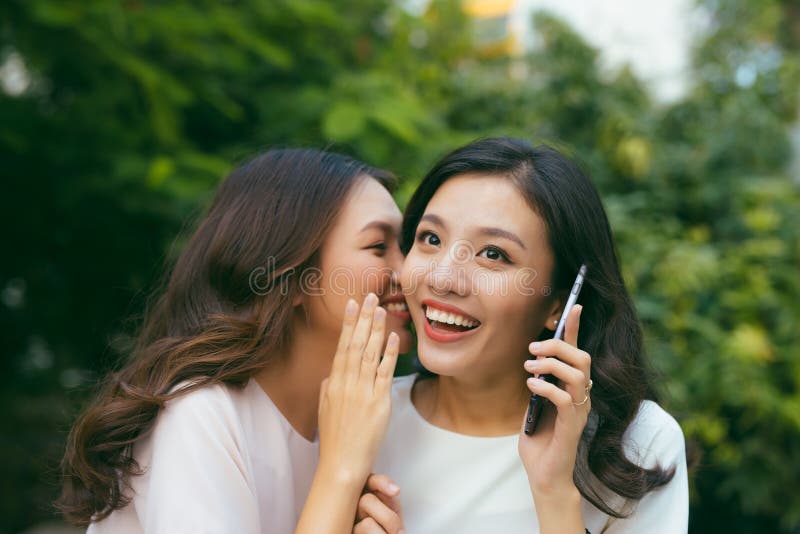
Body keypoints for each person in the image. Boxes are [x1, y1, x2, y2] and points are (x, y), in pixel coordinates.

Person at [57, 148, 413, 533]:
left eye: (406, 246)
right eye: (379, 247)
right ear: (288, 275)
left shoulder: (364, 419)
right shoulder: (198, 415)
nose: (410, 272)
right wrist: (340, 474)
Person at [368, 137, 688, 533]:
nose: (443, 278)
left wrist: (554, 491)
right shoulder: (360, 420)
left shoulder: (640, 444)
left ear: (559, 301)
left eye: (494, 254)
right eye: (431, 239)